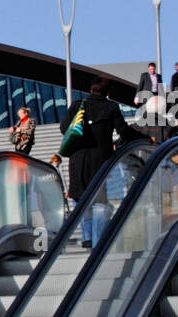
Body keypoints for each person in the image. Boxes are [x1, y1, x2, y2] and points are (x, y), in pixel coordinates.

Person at [61, 78, 142, 248]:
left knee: (80, 198)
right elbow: (124, 131)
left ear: (91, 90)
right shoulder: (110, 107)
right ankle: (98, 241)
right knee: (100, 201)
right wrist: (143, 137)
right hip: (101, 161)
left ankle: (87, 237)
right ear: (107, 92)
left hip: (78, 160)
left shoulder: (77, 105)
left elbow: (63, 128)